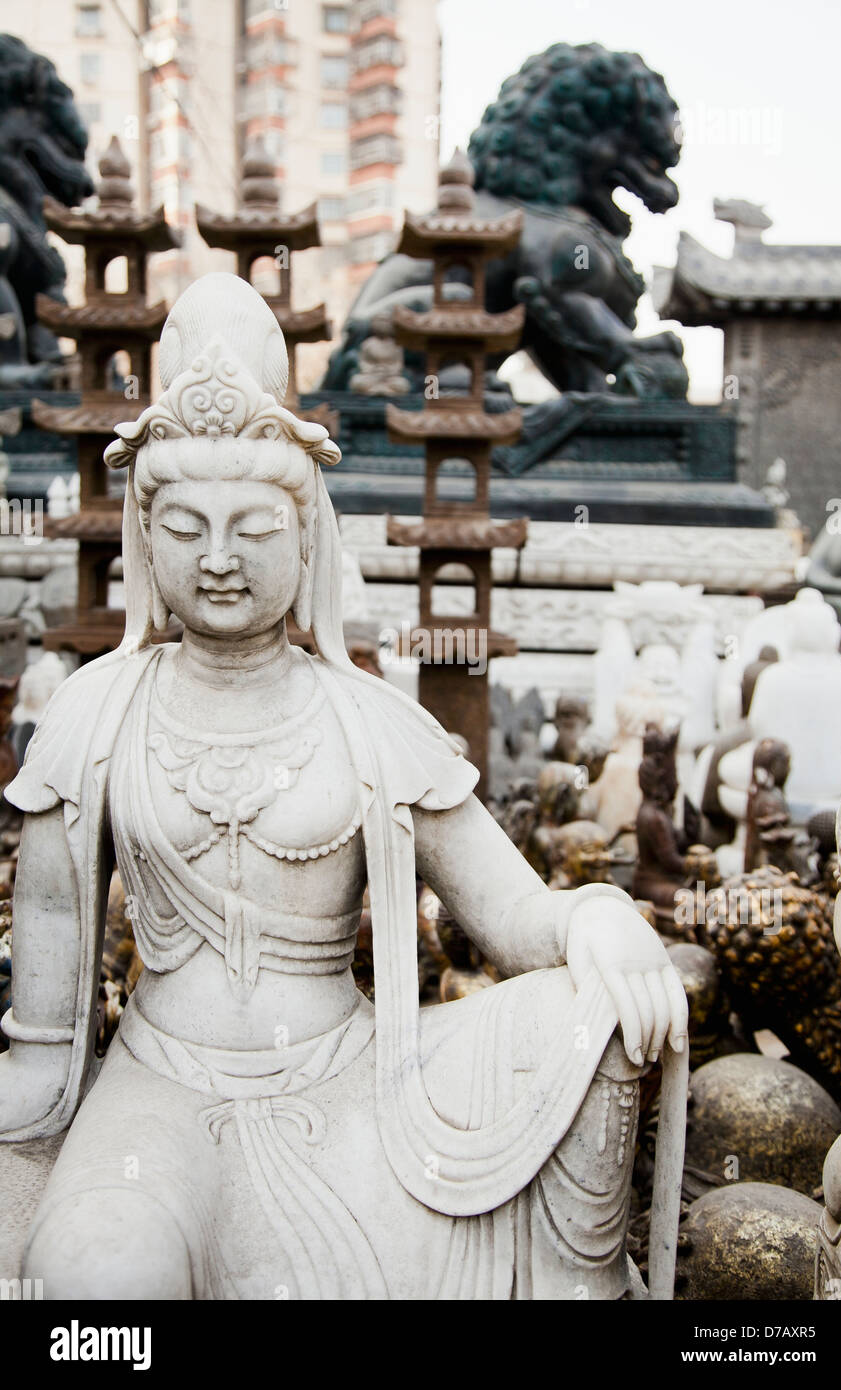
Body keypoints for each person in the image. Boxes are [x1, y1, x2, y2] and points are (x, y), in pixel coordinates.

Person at [0, 274, 687, 1300]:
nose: (220, 559)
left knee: (584, 1025)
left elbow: (517, 920)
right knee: (104, 1272)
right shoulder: (91, 719)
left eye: (254, 528)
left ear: (307, 532)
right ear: (145, 538)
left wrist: (596, 922)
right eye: (185, 529)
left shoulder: (369, 723)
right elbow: (44, 1037)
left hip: (356, 1082)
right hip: (159, 1094)